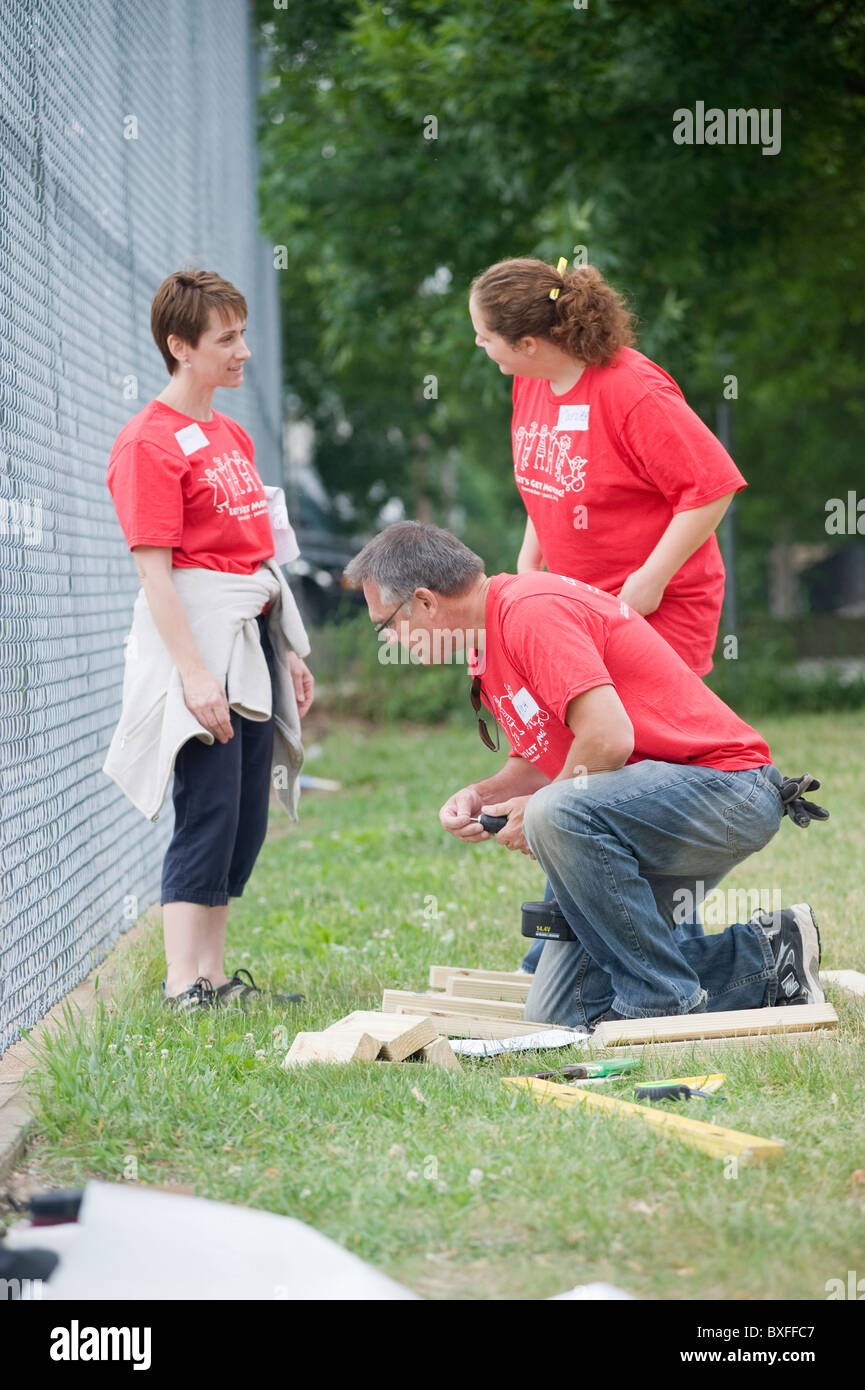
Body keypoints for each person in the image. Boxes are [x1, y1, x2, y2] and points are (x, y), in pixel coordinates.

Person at [345, 521, 828, 1031]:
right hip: (654, 807)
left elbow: (608, 738)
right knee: (564, 1013)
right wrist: (481, 795)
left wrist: (541, 809)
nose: (390, 639)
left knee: (556, 812)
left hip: (727, 790)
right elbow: (545, 758)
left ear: (424, 602)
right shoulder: (487, 644)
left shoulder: (528, 612)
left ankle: (663, 1000)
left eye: (387, 624)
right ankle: (769, 958)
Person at [469, 257, 744, 971]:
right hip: (574, 605)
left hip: (651, 607)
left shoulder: (630, 388)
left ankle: (649, 945)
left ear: (529, 340)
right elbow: (542, 484)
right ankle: (590, 932)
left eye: (484, 336)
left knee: (629, 762)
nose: (479, 348)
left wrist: (649, 581)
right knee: (580, 756)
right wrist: (532, 562)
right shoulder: (528, 382)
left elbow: (710, 487)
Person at [103, 269, 314, 1012]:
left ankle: (215, 976)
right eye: (226, 339)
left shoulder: (231, 434)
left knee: (246, 813)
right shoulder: (147, 445)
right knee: (209, 806)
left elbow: (256, 554)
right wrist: (195, 676)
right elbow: (158, 577)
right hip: (195, 640)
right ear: (180, 347)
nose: (243, 352)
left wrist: (284, 650)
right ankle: (182, 982)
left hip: (250, 631)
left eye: (242, 334)